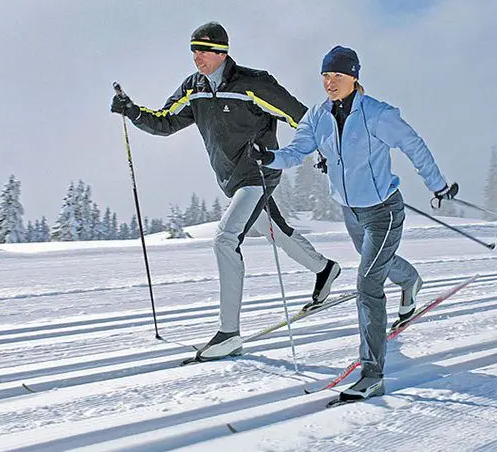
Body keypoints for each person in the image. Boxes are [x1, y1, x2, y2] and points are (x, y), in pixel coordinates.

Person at [110, 22, 341, 361]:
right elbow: (164, 121)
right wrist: (132, 112)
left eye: (202, 50)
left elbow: (301, 118)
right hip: (231, 178)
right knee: (271, 228)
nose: (196, 57)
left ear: (221, 52)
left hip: (259, 172)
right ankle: (324, 269)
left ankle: (229, 333)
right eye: (193, 50)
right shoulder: (194, 88)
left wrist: (324, 149)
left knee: (225, 239)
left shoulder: (253, 84)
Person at [250, 46, 458, 402]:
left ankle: (372, 374)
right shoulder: (318, 115)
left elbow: (413, 144)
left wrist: (437, 185)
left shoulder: (377, 114)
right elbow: (299, 149)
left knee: (367, 285)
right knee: (374, 262)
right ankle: (411, 281)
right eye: (326, 76)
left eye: (338, 76)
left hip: (383, 212)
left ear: (354, 77)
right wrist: (271, 157)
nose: (330, 83)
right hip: (350, 212)